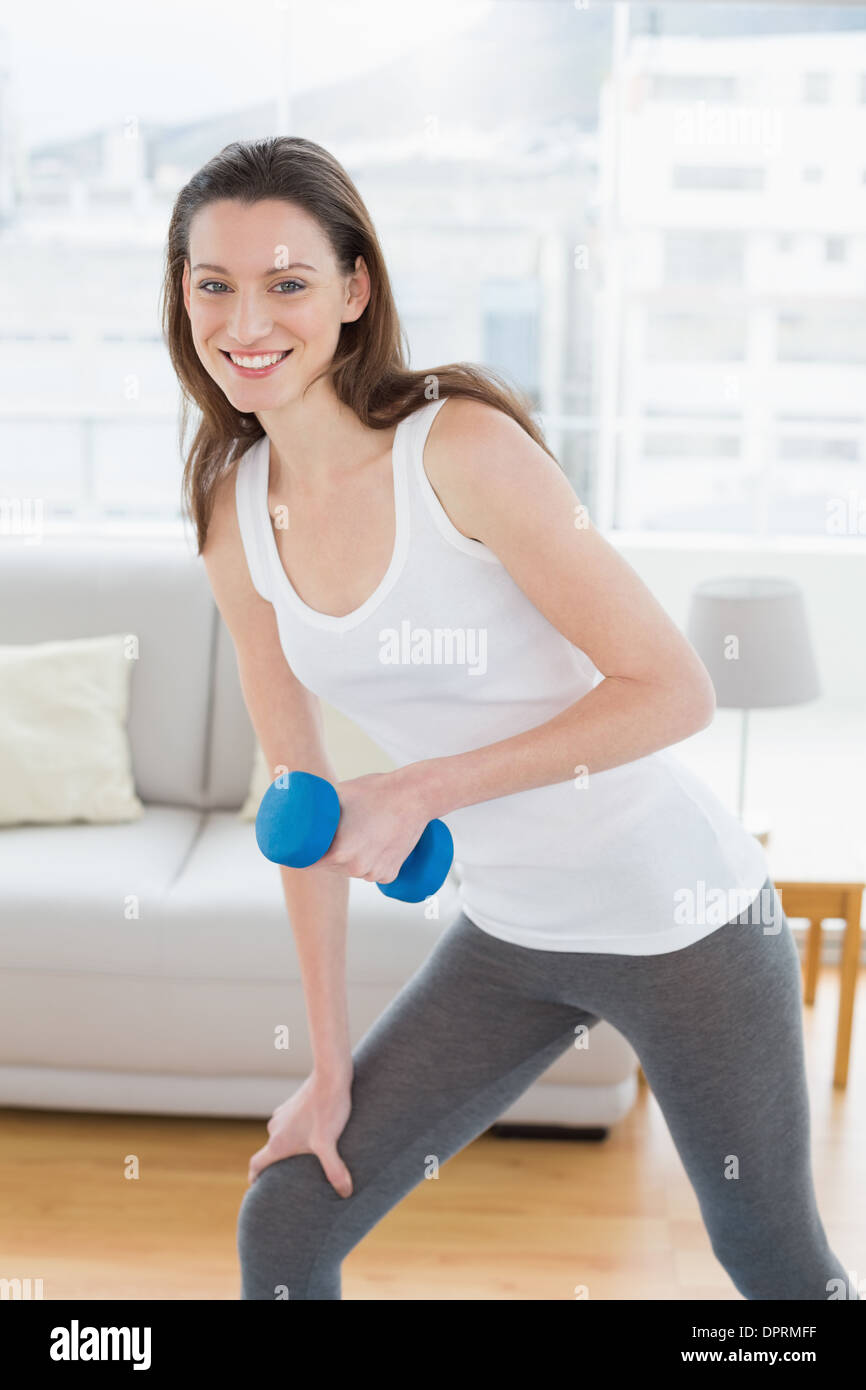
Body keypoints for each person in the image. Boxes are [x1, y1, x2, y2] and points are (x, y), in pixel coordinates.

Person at [162, 134, 856, 1301]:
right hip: (513, 937)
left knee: (772, 1263)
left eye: (286, 282)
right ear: (181, 297)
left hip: (682, 921)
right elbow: (303, 805)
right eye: (212, 284)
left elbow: (670, 686)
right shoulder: (233, 512)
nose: (247, 319)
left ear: (352, 289)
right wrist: (326, 1067)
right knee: (285, 1221)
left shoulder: (460, 449)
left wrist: (427, 785)